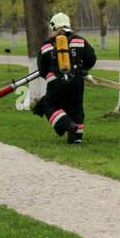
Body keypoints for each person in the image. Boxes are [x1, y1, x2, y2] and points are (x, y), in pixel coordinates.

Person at [33, 12, 97, 144]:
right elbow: (91, 59)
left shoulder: (46, 45)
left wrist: (52, 76)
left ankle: (68, 125)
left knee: (49, 105)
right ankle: (77, 138)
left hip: (56, 82)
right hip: (77, 81)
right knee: (76, 108)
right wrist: (82, 70)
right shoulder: (79, 40)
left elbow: (41, 69)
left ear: (53, 27)